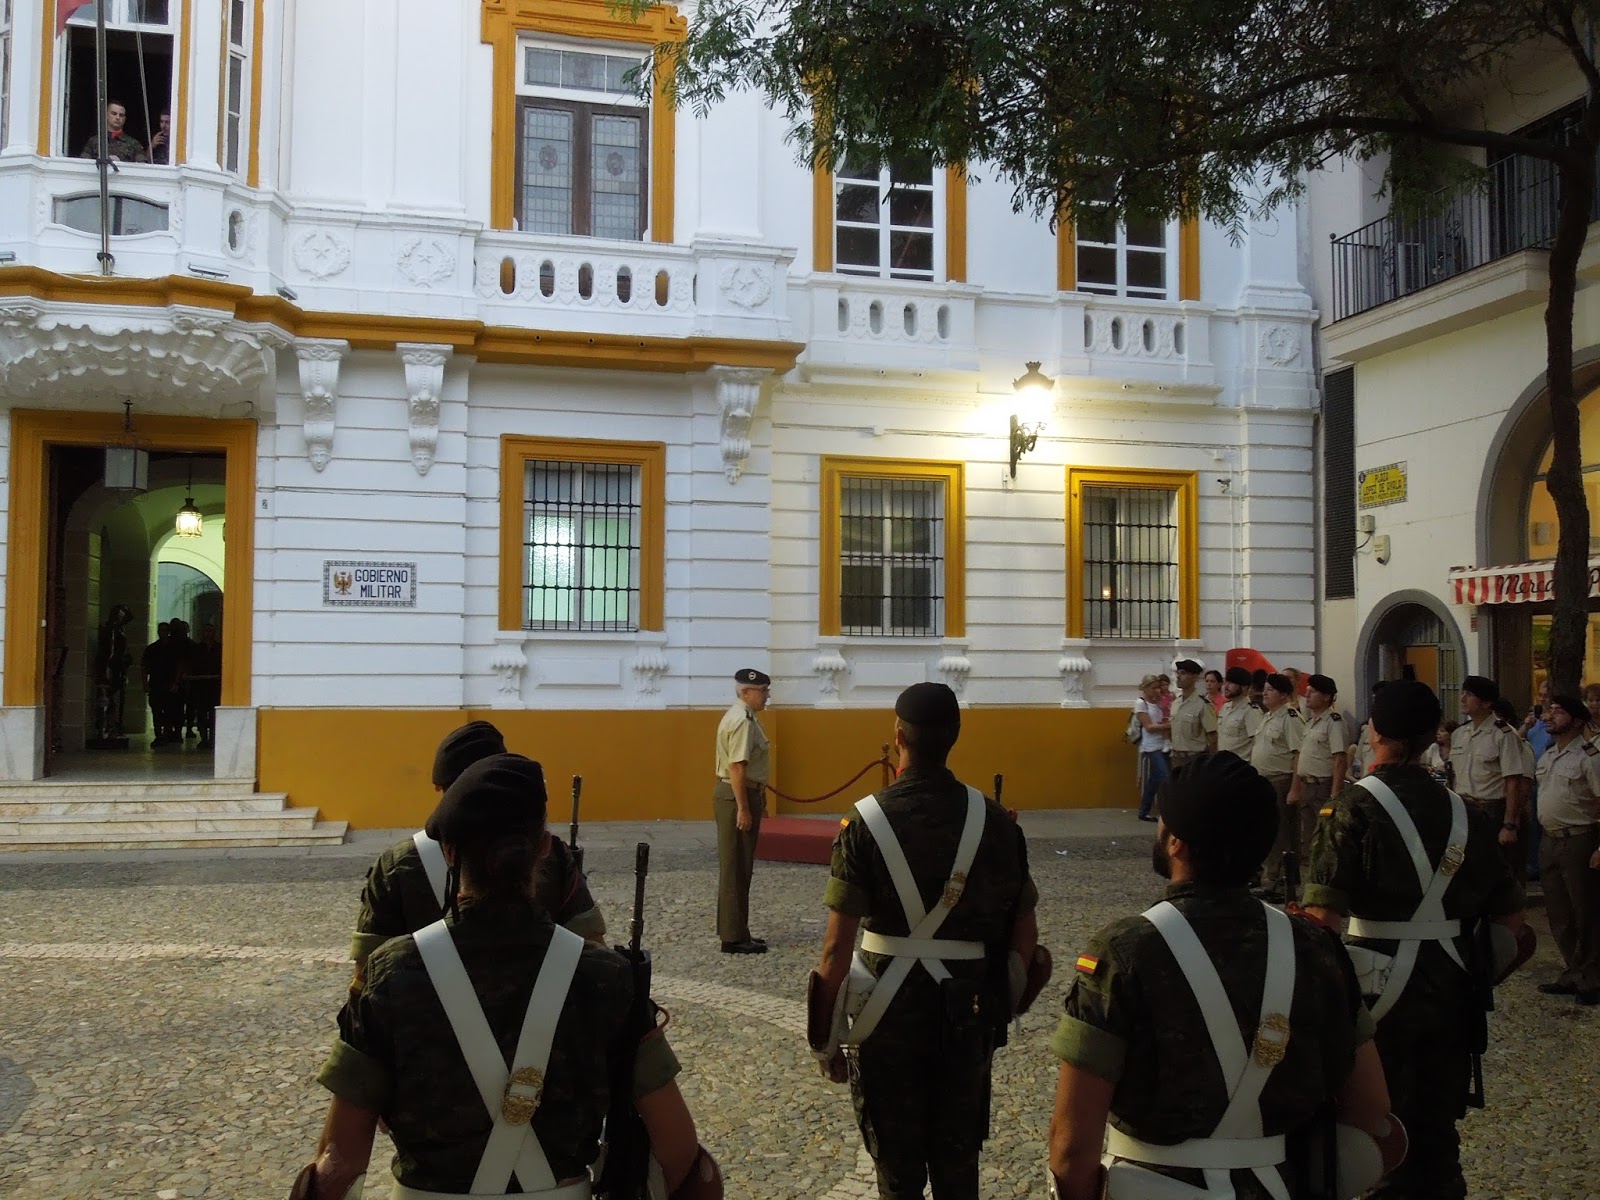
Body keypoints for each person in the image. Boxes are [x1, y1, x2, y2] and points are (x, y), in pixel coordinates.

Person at [306, 753, 720, 1200]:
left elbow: (340, 1166)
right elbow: (681, 1156)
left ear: (449, 852)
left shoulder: (390, 975)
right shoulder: (606, 979)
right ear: (544, 846)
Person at [1048, 751, 1404, 1200]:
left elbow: (1072, 1146)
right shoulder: (1316, 949)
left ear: (1176, 842)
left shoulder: (1125, 951)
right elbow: (1372, 1109)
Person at [812, 682, 1038, 1200]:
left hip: (884, 1020)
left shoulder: (865, 823)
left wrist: (825, 1041)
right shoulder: (998, 825)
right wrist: (1001, 1002)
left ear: (897, 737)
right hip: (968, 1012)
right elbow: (1025, 932)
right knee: (960, 1168)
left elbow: (835, 949)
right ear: (954, 738)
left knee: (897, 1172)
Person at [1306, 680, 1530, 1200]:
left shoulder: (1349, 810)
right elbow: (1515, 926)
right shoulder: (1466, 814)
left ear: (1376, 732)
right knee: (1437, 1137)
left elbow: (1321, 923)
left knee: (1378, 1138)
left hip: (1374, 1004)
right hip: (1452, 997)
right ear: (1432, 735)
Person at [350, 721, 605, 991]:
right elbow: (592, 948)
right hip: (548, 1018)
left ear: (440, 789)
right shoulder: (549, 852)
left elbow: (366, 975)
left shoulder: (396, 864)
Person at [1530, 693, 1600, 1006]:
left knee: (1586, 912)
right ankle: (1573, 971)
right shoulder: (1547, 756)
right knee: (1559, 913)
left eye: (1557, 712)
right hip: (1550, 839)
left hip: (1580, 839)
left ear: (1576, 718)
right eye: (1549, 711)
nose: (1548, 717)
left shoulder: (1590, 757)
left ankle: (1592, 977)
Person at [1449, 676, 1532, 881]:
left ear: (1486, 703)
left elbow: (1513, 781)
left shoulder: (1504, 734)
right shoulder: (1459, 734)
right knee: (1469, 872)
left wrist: (1509, 824)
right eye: (1463, 692)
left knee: (1499, 873)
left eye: (1469, 695)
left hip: (1492, 810)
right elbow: (1452, 775)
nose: (1462, 698)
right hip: (1464, 809)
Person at [714, 668, 771, 954]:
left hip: (743, 793)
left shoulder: (745, 717)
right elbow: (737, 767)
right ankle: (733, 937)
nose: (767, 696)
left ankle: (738, 930)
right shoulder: (743, 721)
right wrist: (743, 808)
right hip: (737, 795)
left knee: (740, 866)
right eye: (762, 691)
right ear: (746, 692)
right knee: (735, 867)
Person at [1250, 673, 1304, 902]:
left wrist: (1295, 788)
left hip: (1281, 781)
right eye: (1265, 689)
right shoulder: (1268, 717)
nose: (1265, 693)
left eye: (1270, 689)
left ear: (1283, 694)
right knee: (1270, 833)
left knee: (1283, 834)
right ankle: (1272, 880)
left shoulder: (1290, 718)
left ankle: (1283, 883)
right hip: (1264, 780)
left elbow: (1297, 754)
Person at [1295, 674, 1354, 869]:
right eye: (1307, 691)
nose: (1307, 695)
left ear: (1327, 697)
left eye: (1313, 692)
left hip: (1322, 786)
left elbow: (1339, 759)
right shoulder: (1310, 722)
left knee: (1324, 836)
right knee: (1308, 836)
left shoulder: (1333, 722)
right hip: (1307, 785)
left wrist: (1334, 794)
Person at [1133, 674, 1171, 823]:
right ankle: (1168, 811)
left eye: (1158, 687)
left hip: (1163, 745)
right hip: (1151, 746)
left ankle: (1144, 810)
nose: (1157, 691)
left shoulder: (1160, 703)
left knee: (1154, 780)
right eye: (1153, 688)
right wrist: (1167, 726)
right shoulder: (1141, 703)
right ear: (1146, 688)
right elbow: (1148, 726)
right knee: (1164, 777)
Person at [1167, 658, 1217, 771]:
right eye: (1178, 673)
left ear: (1194, 677)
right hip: (1176, 758)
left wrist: (1211, 764)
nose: (1178, 677)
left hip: (1195, 759)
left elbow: (1213, 737)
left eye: (1183, 673)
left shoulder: (1203, 704)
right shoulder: (1176, 703)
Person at [141, 621, 178, 746]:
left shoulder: (174, 648)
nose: (163, 633)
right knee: (156, 712)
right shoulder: (151, 649)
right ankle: (159, 735)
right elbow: (144, 667)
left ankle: (167, 734)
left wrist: (176, 683)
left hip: (169, 684)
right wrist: (145, 684)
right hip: (156, 684)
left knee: (169, 711)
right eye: (161, 630)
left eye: (165, 630)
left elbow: (180, 666)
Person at [187, 622, 223, 749]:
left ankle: (213, 738)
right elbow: (190, 665)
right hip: (200, 686)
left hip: (215, 686)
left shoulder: (220, 648)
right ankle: (203, 738)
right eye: (206, 631)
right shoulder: (196, 649)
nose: (208, 633)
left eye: (211, 631)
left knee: (214, 714)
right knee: (201, 713)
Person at [1216, 665, 1262, 760]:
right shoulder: (1225, 708)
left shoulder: (1251, 711)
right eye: (1226, 682)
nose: (1226, 686)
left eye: (1232, 683)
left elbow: (1258, 743)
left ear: (1244, 687)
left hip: (1240, 766)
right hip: (1221, 763)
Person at [78, 100, 147, 162]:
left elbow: (142, 166)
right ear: (106, 115)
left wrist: (122, 164)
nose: (117, 117)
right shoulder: (94, 141)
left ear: (124, 119)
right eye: (114, 113)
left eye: (121, 115)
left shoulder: (134, 144)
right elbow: (84, 163)